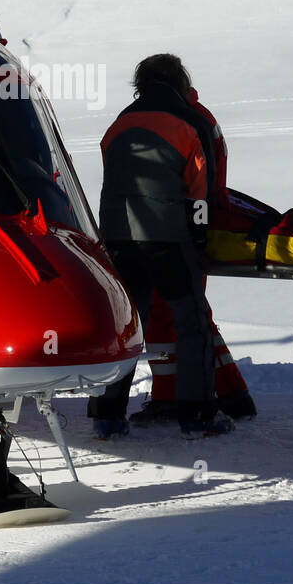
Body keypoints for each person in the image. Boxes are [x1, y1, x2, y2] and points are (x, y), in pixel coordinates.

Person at [90, 54, 232, 438]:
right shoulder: (191, 120)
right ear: (180, 81)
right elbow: (201, 188)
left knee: (126, 327)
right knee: (191, 322)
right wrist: (200, 237)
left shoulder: (121, 122)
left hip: (118, 235)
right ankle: (197, 415)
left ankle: (107, 415)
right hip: (168, 237)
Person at [130, 85, 257, 424]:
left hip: (175, 232)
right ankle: (231, 393)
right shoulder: (198, 115)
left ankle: (173, 398)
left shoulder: (176, 119)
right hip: (193, 228)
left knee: (167, 314)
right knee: (193, 316)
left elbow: (190, 180)